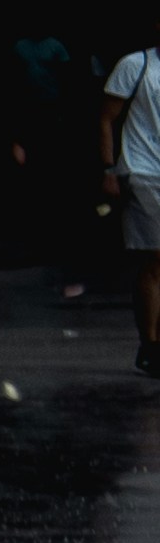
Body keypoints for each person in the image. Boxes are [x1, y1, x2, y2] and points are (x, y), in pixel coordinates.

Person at [104, 33, 160, 372]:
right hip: (142, 171)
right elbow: (106, 118)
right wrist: (108, 169)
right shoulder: (136, 65)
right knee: (154, 258)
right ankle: (150, 344)